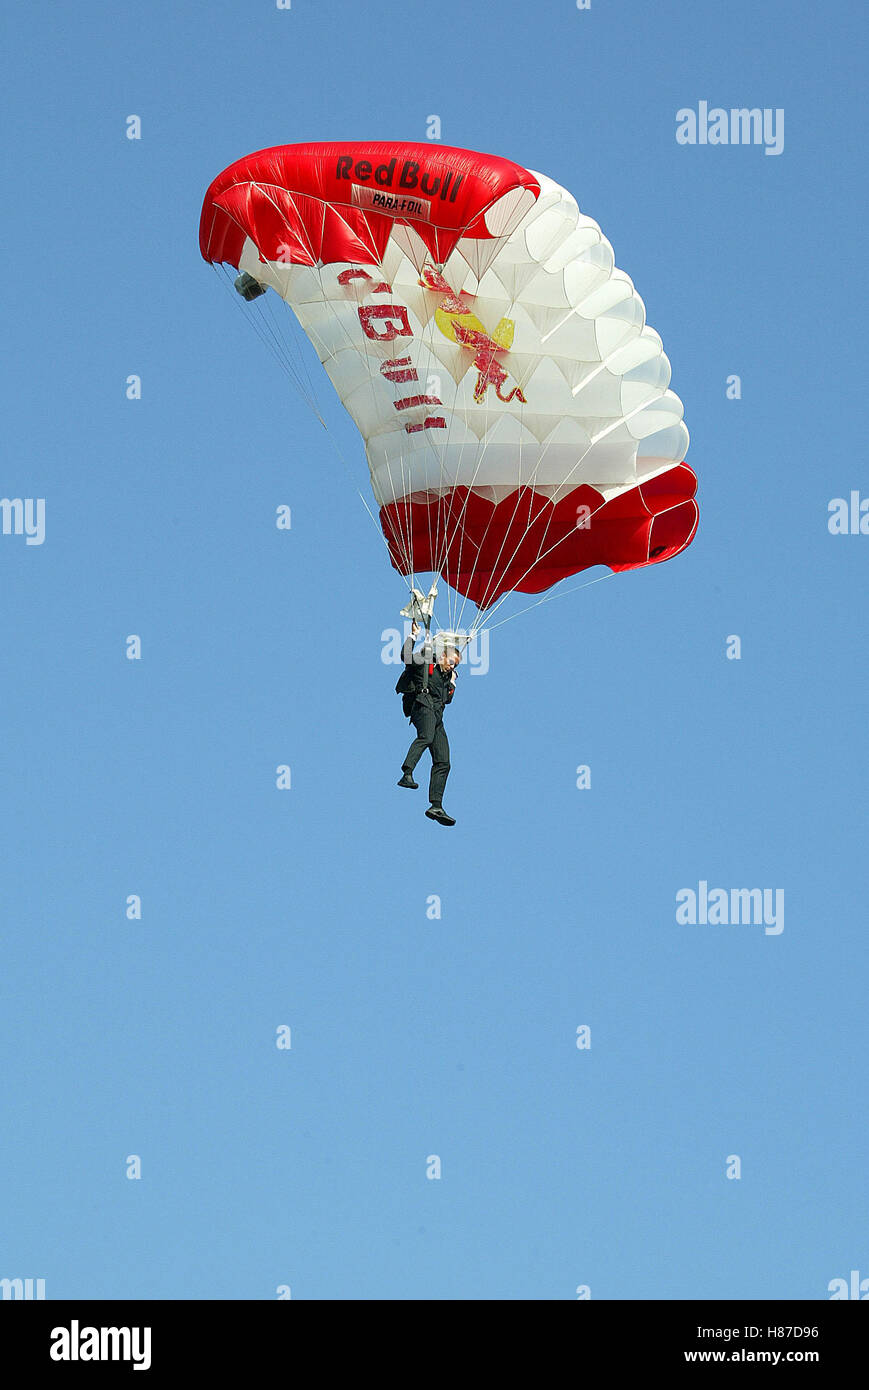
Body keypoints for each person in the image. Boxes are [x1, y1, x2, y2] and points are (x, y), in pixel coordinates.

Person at [397, 621, 460, 826]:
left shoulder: (446, 678)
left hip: (437, 714)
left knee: (444, 760)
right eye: (451, 661)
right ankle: (407, 773)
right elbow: (405, 658)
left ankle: (436, 805)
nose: (452, 666)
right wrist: (413, 636)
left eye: (455, 665)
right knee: (426, 737)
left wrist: (452, 683)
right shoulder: (426, 661)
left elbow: (447, 700)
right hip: (421, 706)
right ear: (443, 656)